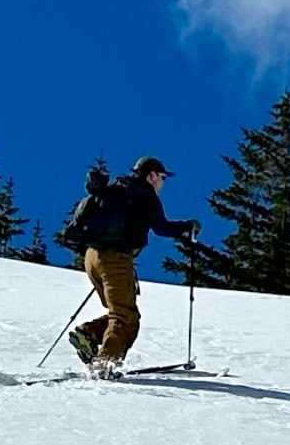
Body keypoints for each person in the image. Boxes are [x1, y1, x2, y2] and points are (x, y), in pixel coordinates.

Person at [68, 155, 200, 377]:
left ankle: (88, 334)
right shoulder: (144, 195)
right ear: (152, 175)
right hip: (115, 260)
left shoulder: (116, 189)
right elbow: (161, 227)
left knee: (122, 313)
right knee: (125, 317)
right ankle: (104, 364)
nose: (162, 183)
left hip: (92, 257)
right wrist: (189, 227)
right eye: (162, 177)